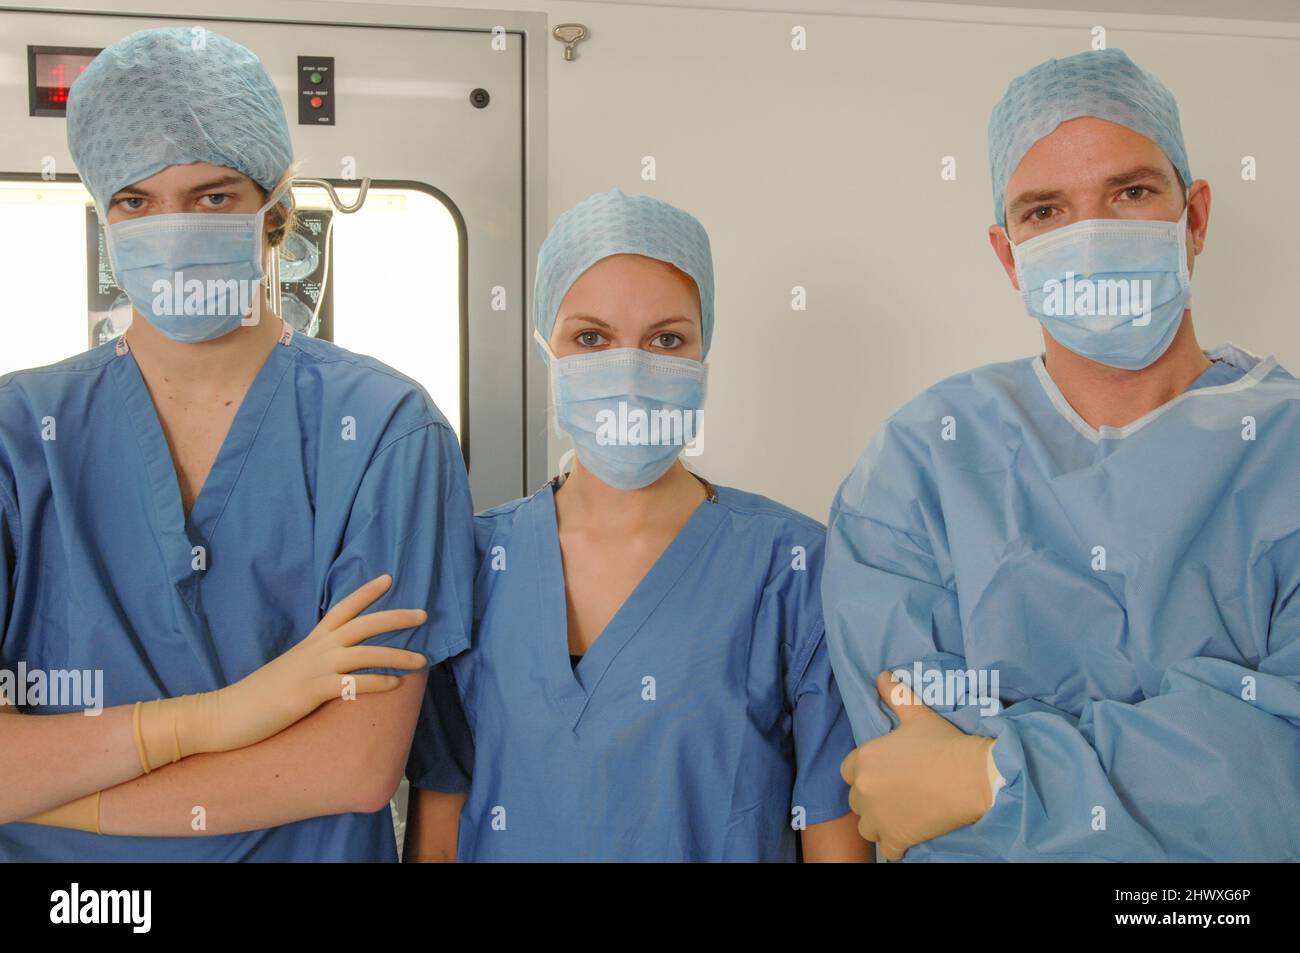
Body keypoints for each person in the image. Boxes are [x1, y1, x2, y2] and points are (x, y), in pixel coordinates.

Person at [0, 27, 475, 861]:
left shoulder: (388, 434)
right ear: (106, 219)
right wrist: (225, 714)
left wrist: (51, 792)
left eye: (214, 196)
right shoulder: (18, 435)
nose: (173, 229)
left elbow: (352, 766)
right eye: (137, 202)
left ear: (276, 216)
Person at [824, 48, 1300, 862]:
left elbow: (1282, 787)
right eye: (1046, 211)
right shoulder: (920, 465)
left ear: (1196, 217)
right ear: (1008, 254)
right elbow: (908, 782)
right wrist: (1205, 754)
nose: (1093, 235)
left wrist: (996, 775)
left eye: (1132, 192)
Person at [404, 189, 869, 862]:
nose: (629, 369)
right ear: (547, 349)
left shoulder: (790, 567)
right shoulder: (475, 561)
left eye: (666, 339)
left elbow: (834, 831)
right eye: (591, 338)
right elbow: (440, 829)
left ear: (703, 355)